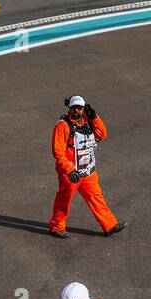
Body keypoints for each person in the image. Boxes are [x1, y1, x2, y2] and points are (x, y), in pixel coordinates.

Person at [49, 95, 124, 239]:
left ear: (84, 109)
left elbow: (103, 134)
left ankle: (109, 225)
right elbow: (58, 152)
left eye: (79, 108)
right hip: (71, 173)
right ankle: (56, 227)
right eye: (73, 108)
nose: (76, 110)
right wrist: (69, 169)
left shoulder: (89, 121)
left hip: (88, 171)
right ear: (69, 109)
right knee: (64, 200)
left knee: (96, 197)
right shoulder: (62, 126)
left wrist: (95, 117)